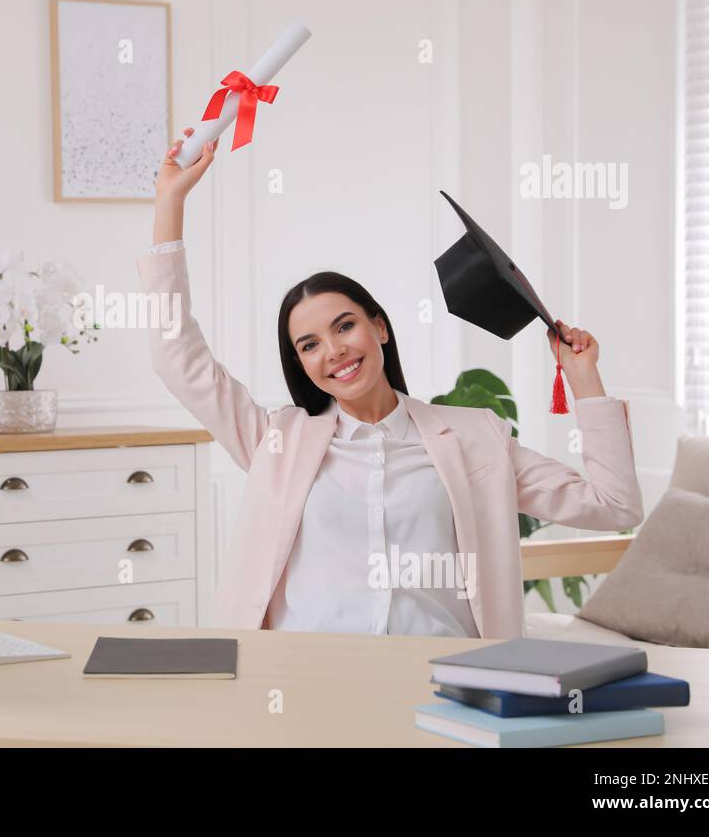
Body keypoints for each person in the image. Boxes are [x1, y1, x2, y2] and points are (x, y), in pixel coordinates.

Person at [138, 129, 643, 639]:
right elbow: (177, 356)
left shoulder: (474, 439)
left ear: (379, 327)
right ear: (300, 363)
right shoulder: (276, 439)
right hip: (309, 682)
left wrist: (584, 379)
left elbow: (615, 505)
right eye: (309, 345)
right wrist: (170, 201)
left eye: (344, 326)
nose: (333, 351)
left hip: (439, 678)